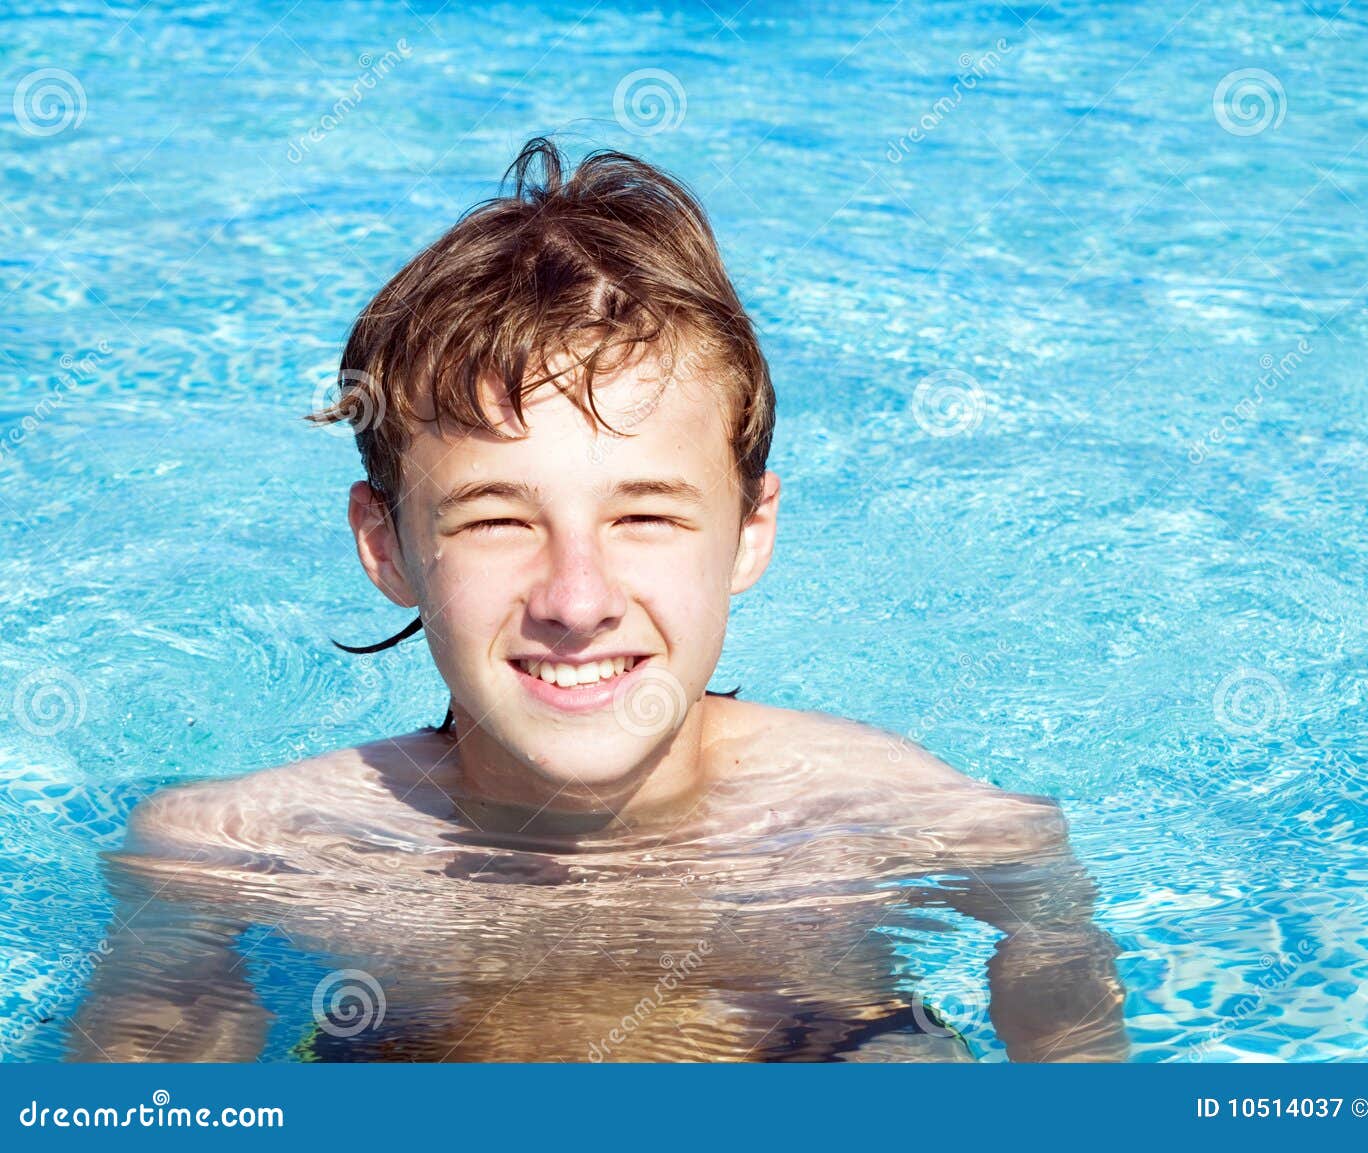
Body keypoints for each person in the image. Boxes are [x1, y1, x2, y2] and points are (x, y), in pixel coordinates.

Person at [68, 136, 1128, 1063]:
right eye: (494, 517)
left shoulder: (922, 832)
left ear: (750, 531)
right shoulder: (238, 854)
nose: (575, 599)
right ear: (385, 544)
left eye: (646, 515)